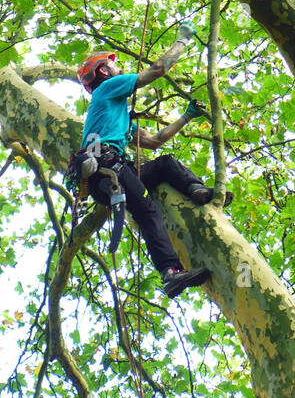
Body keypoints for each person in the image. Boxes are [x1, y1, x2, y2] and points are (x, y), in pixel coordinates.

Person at [74, 30, 217, 299]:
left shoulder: (119, 116)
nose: (119, 68)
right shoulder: (107, 89)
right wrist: (182, 41)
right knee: (148, 212)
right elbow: (157, 70)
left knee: (164, 164)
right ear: (103, 72)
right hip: (108, 169)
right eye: (113, 65)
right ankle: (171, 273)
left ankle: (196, 190)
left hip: (114, 171)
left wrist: (186, 117)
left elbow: (154, 142)